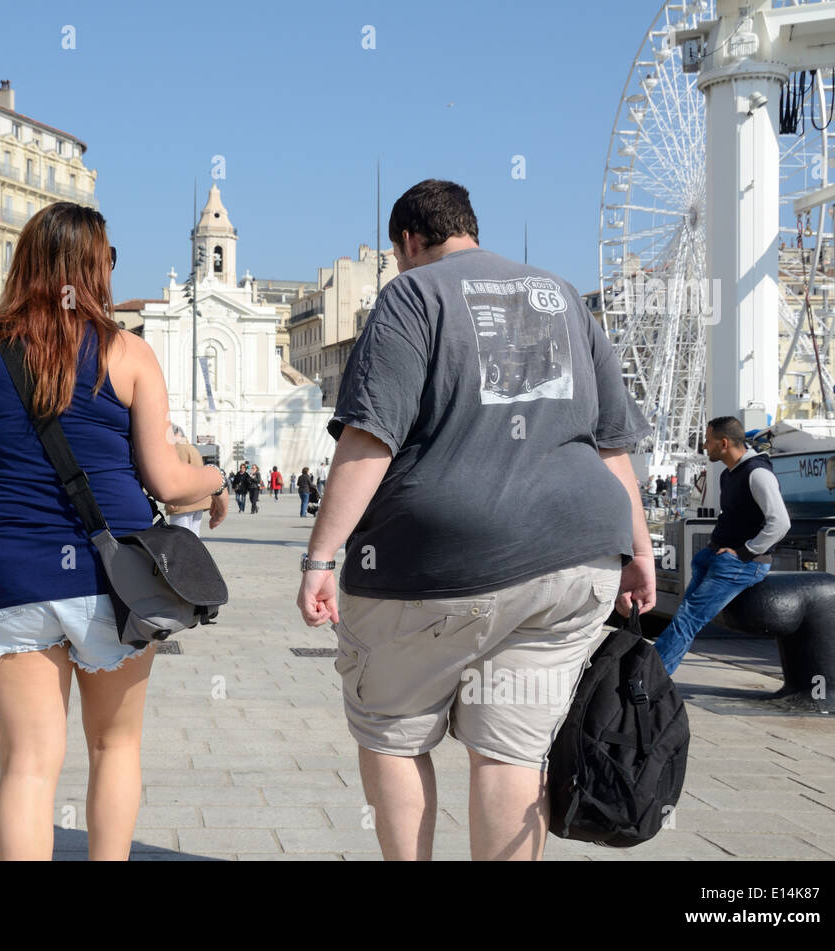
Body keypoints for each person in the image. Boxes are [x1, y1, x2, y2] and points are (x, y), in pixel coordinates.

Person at [295, 179, 654, 862]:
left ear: (407, 242)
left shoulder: (412, 294)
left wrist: (321, 557)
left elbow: (371, 437)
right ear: (470, 228)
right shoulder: (561, 296)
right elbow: (612, 444)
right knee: (512, 753)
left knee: (393, 731)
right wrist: (638, 549)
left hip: (438, 560)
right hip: (575, 558)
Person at [0, 202, 229, 861]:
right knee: (114, 745)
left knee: (28, 764)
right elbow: (171, 482)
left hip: (11, 573)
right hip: (112, 580)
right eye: (109, 260)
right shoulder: (129, 353)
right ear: (93, 267)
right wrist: (218, 478)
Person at [654, 416, 790, 675]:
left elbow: (781, 522)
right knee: (685, 616)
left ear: (724, 443)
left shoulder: (757, 473)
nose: (705, 446)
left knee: (688, 619)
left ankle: (650, 679)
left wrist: (745, 552)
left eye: (708, 441)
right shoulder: (730, 473)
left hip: (740, 564)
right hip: (716, 556)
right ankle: (654, 674)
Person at [164, 424, 210, 537]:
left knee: (180, 538)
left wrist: (172, 500)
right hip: (197, 499)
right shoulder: (192, 448)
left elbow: (177, 476)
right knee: (194, 536)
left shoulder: (179, 448)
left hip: (183, 501)